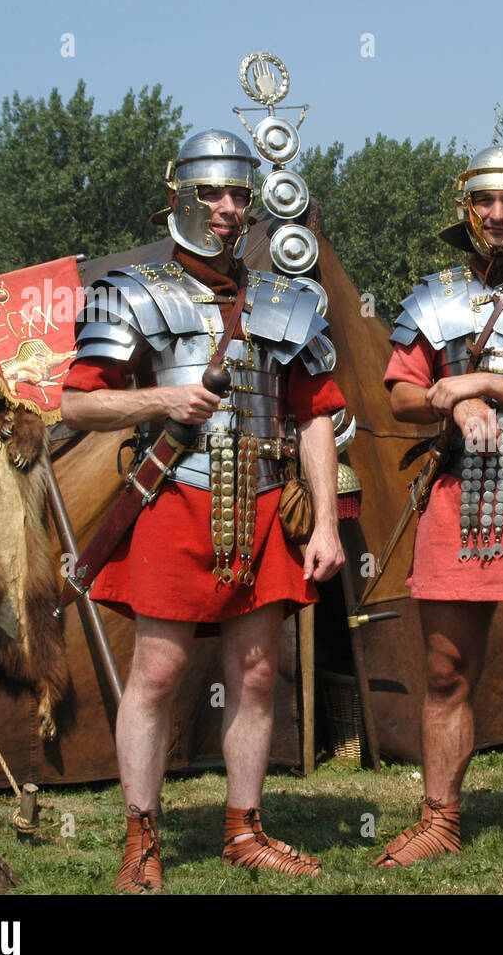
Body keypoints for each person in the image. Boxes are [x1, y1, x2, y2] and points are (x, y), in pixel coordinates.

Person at [60, 129, 346, 892]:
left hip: (257, 500)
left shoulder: (290, 298)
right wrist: (163, 398)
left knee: (256, 674)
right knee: (157, 672)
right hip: (174, 495)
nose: (228, 209)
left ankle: (244, 828)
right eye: (212, 194)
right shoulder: (130, 290)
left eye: (240, 195)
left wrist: (323, 520)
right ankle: (142, 835)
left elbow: (316, 412)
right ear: (178, 198)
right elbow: (76, 406)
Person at [377, 146, 503, 867]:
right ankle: (440, 820)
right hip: (457, 493)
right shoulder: (433, 293)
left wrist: (477, 384)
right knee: (444, 671)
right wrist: (447, 401)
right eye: (485, 201)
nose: (498, 215)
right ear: (467, 207)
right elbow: (399, 390)